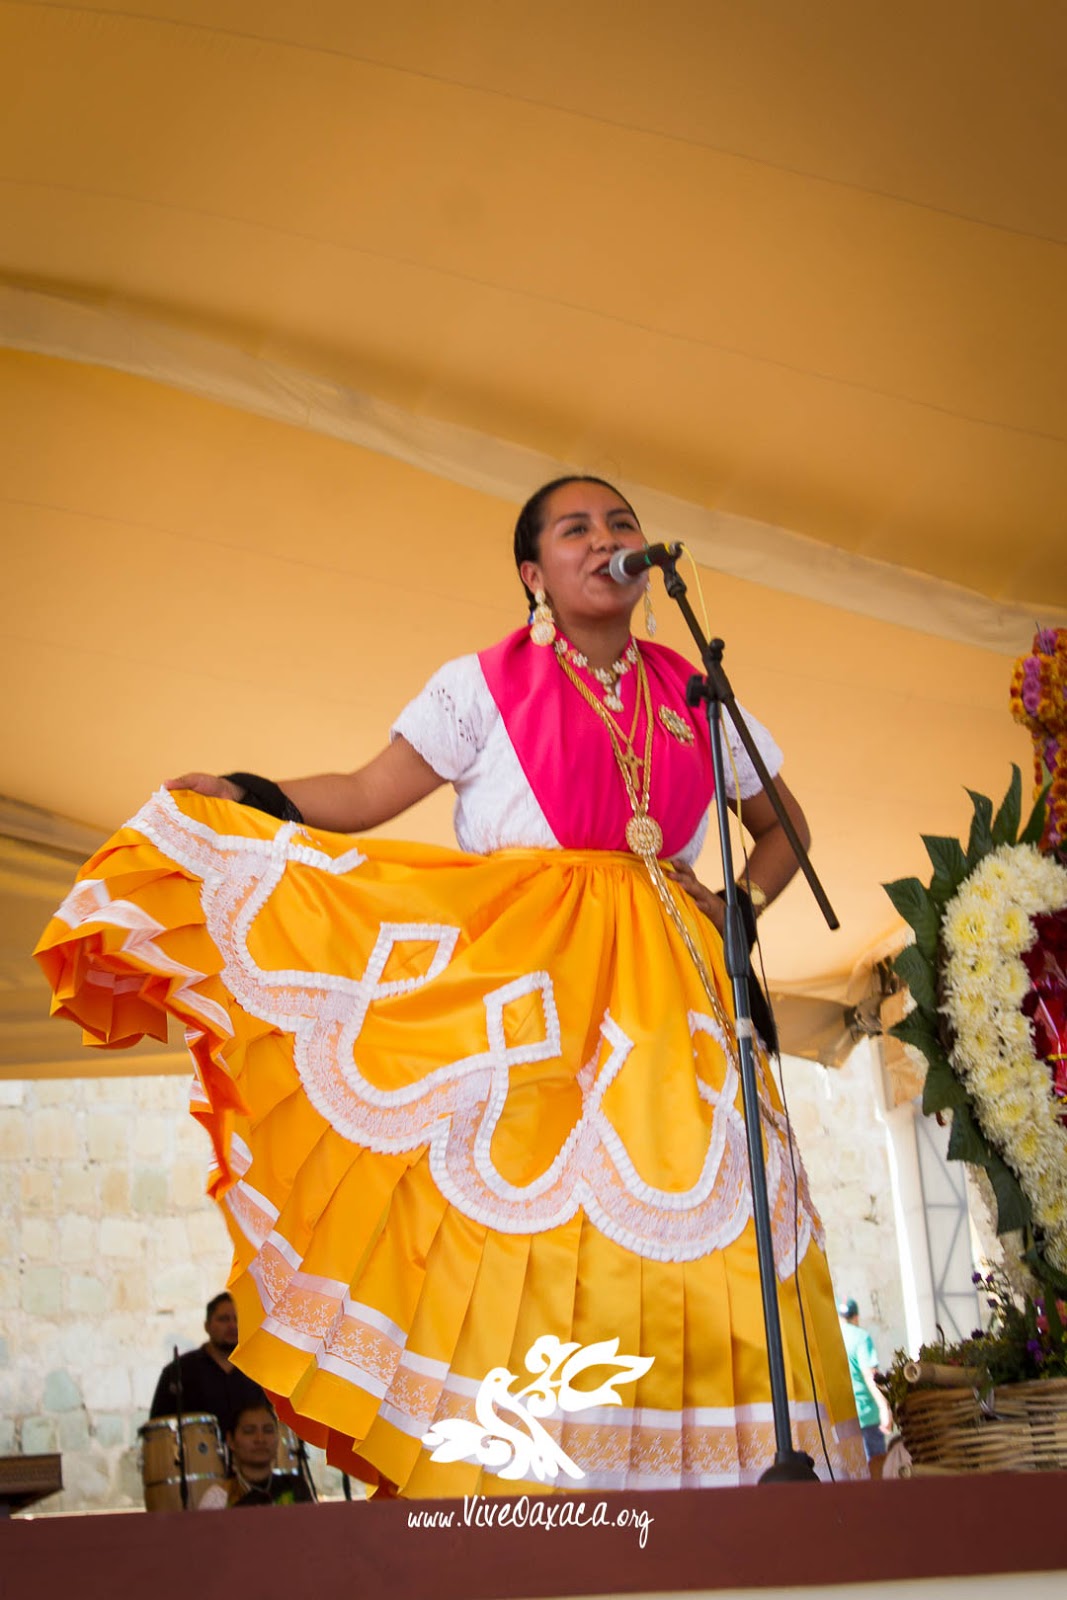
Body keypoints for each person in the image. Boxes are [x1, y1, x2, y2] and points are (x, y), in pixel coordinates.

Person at [37, 475, 864, 1491]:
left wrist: (733, 908)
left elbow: (786, 830)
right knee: (539, 1228)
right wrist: (251, 794)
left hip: (676, 990)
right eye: (576, 528)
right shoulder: (479, 684)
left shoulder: (694, 688)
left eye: (620, 523)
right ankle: (548, 1483)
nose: (606, 539)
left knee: (713, 1220)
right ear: (534, 574)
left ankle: (719, 1479)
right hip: (526, 986)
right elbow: (365, 793)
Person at [150, 1291, 268, 1438]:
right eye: (223, 1319)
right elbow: (158, 1430)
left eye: (238, 1319)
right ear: (207, 1326)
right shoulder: (179, 1372)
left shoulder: (260, 1372)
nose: (233, 1325)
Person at [198, 1401, 314, 1508]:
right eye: (249, 1431)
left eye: (268, 1430)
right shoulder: (218, 1498)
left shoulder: (295, 1488)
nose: (260, 1439)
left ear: (278, 1438)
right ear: (230, 1440)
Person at [837, 1297, 893, 1460]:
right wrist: (884, 1407)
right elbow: (870, 1375)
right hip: (867, 1415)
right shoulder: (861, 1337)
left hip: (842, 1418)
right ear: (856, 1317)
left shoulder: (833, 1338)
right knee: (876, 1470)